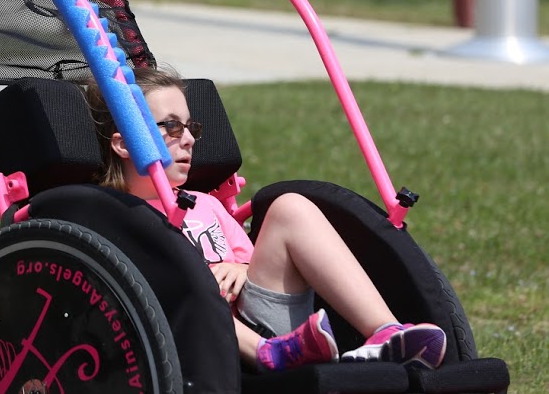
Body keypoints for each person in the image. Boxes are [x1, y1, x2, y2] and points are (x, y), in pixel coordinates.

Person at [85, 67, 448, 373]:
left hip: (264, 324)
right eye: (172, 127)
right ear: (125, 145)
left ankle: (385, 332)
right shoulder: (114, 216)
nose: (191, 139)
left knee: (290, 207)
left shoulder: (205, 206)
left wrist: (240, 268)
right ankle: (264, 351)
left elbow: (250, 260)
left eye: (191, 126)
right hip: (190, 344)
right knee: (181, 281)